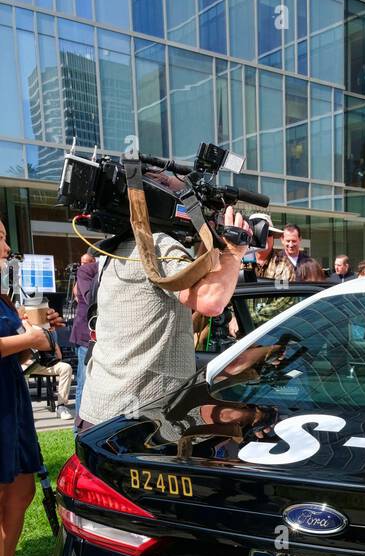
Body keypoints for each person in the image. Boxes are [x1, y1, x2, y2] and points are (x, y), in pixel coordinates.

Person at [79, 176, 251, 430]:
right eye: (179, 192)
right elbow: (210, 301)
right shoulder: (159, 246)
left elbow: (180, 298)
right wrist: (234, 253)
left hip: (100, 409)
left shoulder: (116, 249)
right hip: (139, 419)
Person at [0, 219, 65, 556]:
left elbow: (18, 357)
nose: (7, 248)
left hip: (11, 402)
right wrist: (32, 337)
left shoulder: (4, 299)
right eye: (1, 239)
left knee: (20, 490)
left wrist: (40, 333)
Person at [70, 250, 97, 421]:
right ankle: (78, 429)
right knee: (83, 383)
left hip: (95, 336)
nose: (84, 265)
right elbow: (86, 298)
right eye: (82, 262)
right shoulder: (86, 273)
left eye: (87, 261)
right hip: (85, 337)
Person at [25, 326, 74, 419]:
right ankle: (24, 410)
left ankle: (61, 406)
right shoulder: (21, 327)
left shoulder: (48, 330)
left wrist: (49, 337)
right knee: (21, 371)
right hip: (27, 363)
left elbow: (59, 356)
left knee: (66, 368)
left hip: (45, 363)